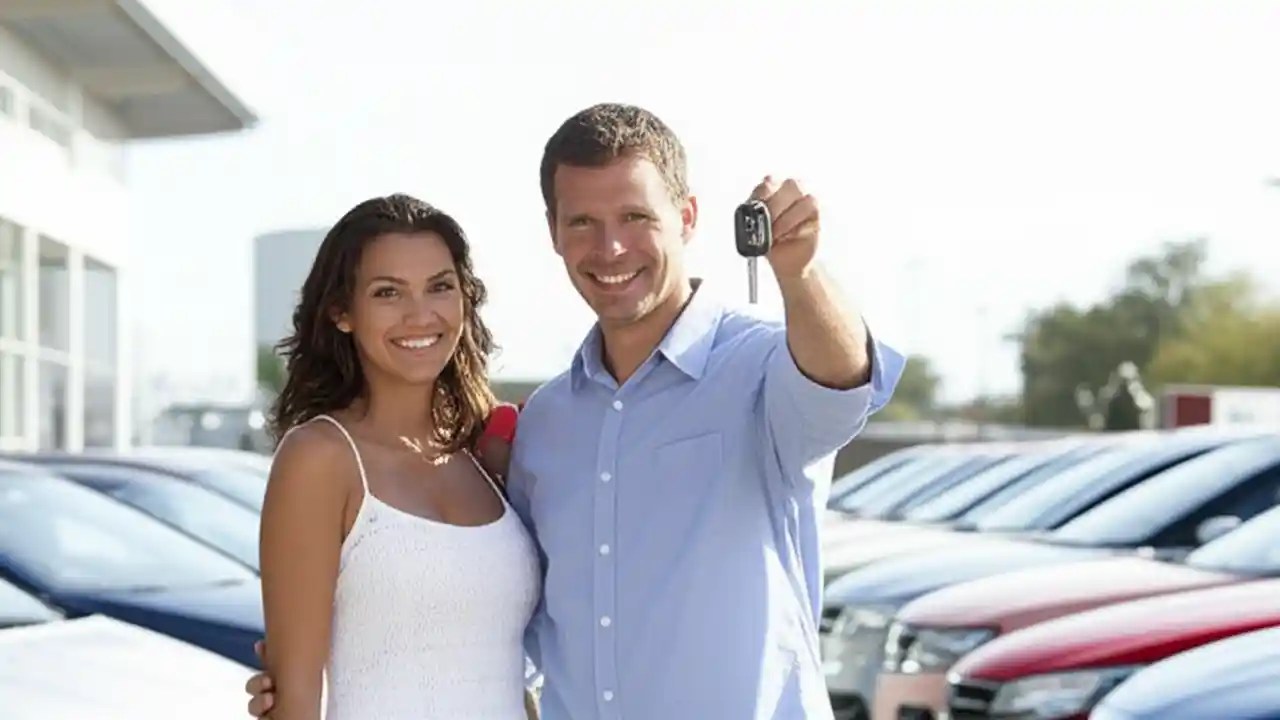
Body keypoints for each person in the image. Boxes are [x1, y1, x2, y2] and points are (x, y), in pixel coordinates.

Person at [247, 103, 904, 719]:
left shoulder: (763, 371)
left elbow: (839, 384)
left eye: (635, 217)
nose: (610, 248)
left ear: (689, 217)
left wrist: (802, 276)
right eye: (583, 222)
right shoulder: (543, 426)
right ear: (554, 234)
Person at [255, 194, 542, 720]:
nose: (420, 315)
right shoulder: (319, 458)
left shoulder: (482, 457)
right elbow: (293, 704)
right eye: (388, 292)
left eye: (440, 287)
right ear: (342, 312)